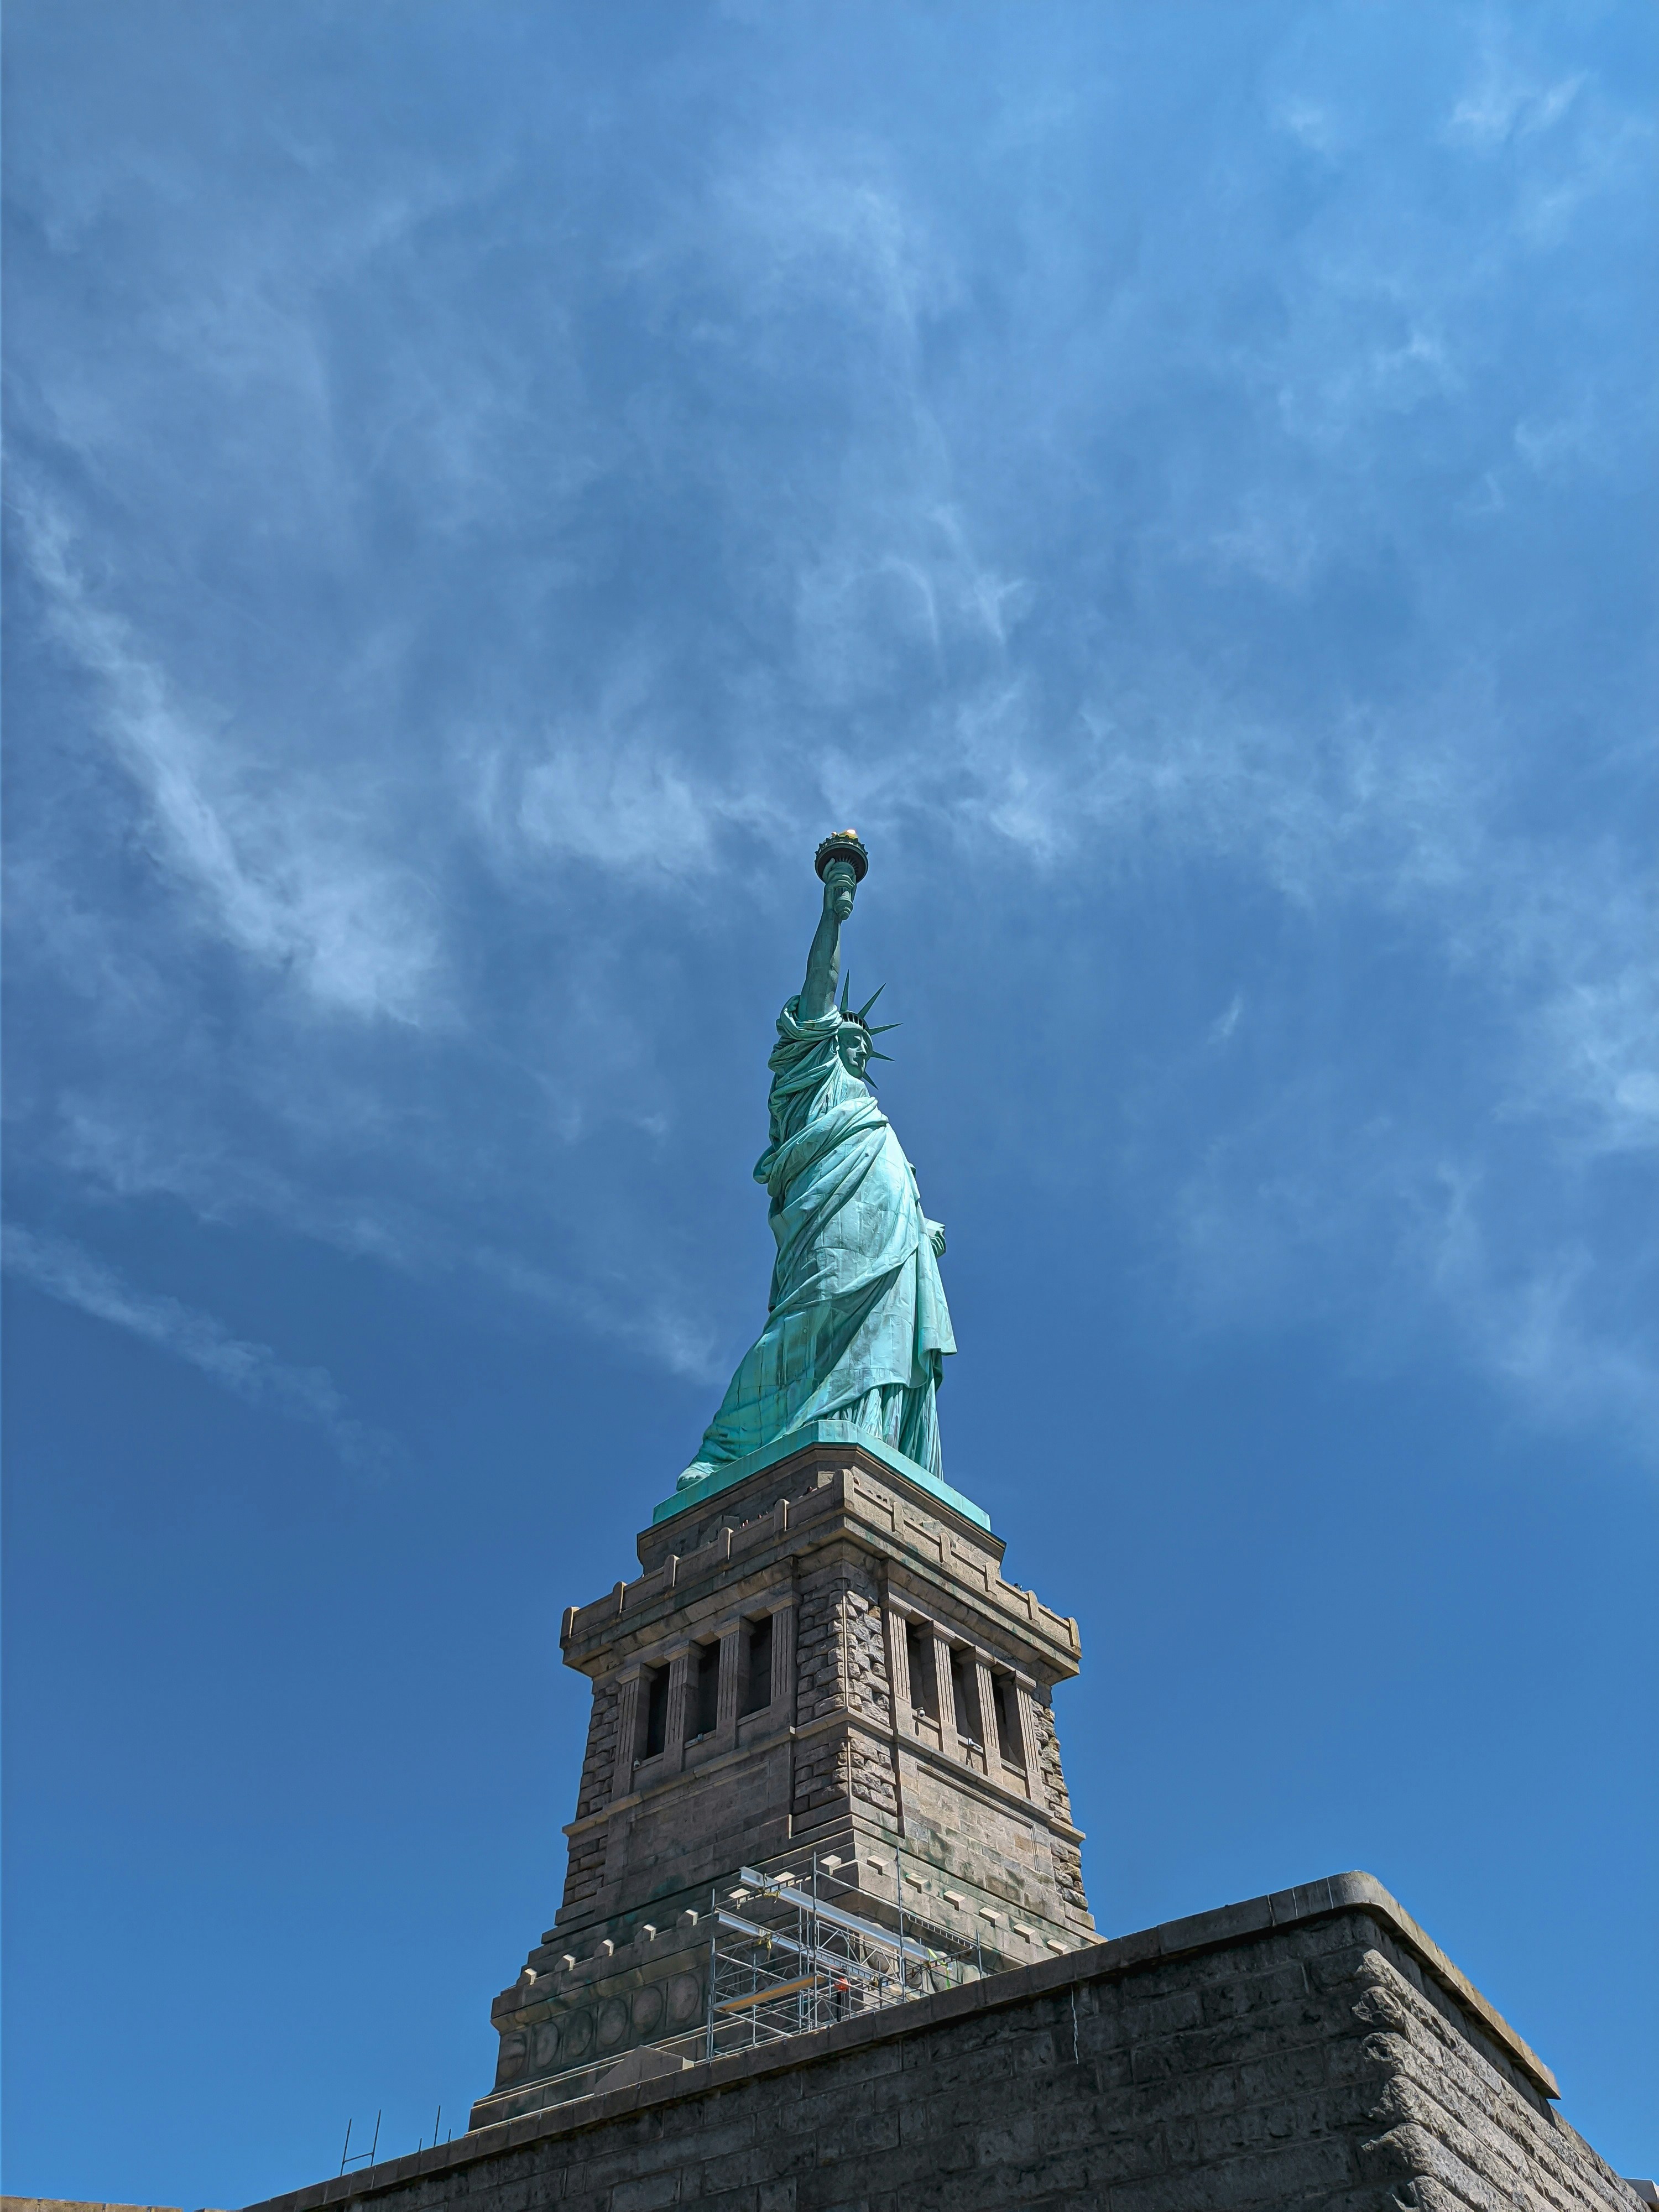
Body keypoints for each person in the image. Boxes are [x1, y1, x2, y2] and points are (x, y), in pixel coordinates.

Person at [679, 842, 955, 1486]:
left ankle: (875, 1438)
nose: (857, 1045)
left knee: (888, 1331)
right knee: (812, 1310)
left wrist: (921, 1228)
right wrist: (834, 911)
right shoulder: (812, 1072)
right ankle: (727, 1446)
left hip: (893, 1230)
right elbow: (820, 985)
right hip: (826, 1213)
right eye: (847, 1035)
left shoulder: (873, 1114)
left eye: (864, 1043)